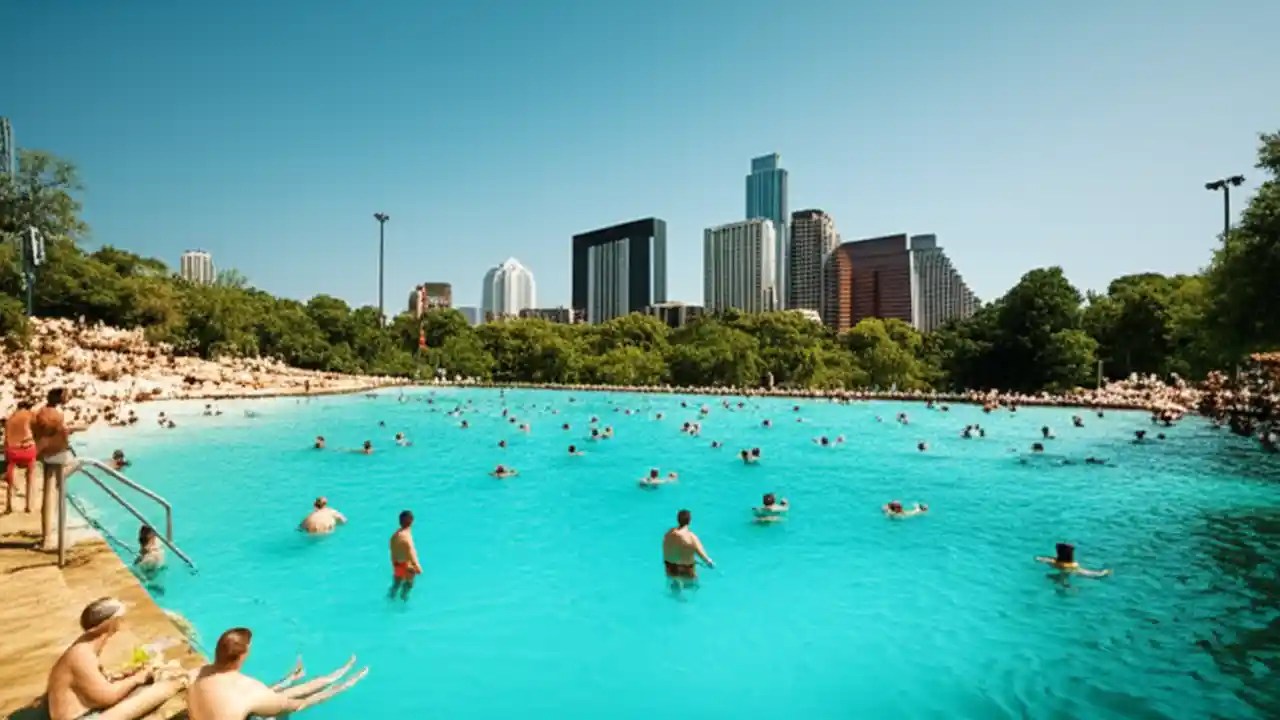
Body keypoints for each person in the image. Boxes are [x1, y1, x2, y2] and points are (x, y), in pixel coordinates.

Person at [46, 597, 190, 720]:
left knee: (140, 687)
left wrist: (125, 676)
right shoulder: (81, 656)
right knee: (157, 692)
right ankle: (178, 683)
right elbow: (107, 697)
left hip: (79, 712)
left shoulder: (83, 647)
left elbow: (89, 685)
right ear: (112, 622)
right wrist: (138, 677)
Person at [187, 627, 367, 720]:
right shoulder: (248, 689)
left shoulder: (196, 674)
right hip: (253, 705)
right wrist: (342, 686)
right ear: (243, 656)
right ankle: (336, 679)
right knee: (281, 710)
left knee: (270, 698)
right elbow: (296, 705)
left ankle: (312, 678)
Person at [33, 387, 75, 550]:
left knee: (47, 493)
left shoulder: (40, 412)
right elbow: (62, 435)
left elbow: (38, 432)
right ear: (59, 398)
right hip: (58, 453)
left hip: (45, 454)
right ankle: (61, 536)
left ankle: (46, 537)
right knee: (60, 492)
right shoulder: (58, 415)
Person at [662, 509, 714, 591]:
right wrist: (710, 563)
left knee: (674, 587)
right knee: (694, 589)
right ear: (689, 521)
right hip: (686, 570)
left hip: (670, 568)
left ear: (678, 520)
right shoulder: (691, 538)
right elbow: (705, 559)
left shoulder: (668, 534)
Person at [4, 398, 37, 514]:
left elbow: (6, 440)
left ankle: (9, 505)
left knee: (11, 477)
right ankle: (29, 506)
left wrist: (6, 454)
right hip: (27, 449)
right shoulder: (31, 415)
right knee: (31, 475)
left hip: (13, 450)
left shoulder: (10, 419)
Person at [389, 510, 422, 600]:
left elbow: (392, 552)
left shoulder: (394, 536)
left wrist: (394, 564)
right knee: (408, 586)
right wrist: (417, 567)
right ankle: (403, 603)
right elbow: (411, 552)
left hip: (397, 565)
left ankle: (390, 599)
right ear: (411, 521)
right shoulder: (407, 537)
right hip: (408, 566)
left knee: (395, 585)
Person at [1035, 543, 1111, 577]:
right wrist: (1103, 573)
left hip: (1064, 570)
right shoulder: (1072, 566)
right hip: (1068, 570)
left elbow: (1039, 559)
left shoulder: (1053, 562)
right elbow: (1088, 573)